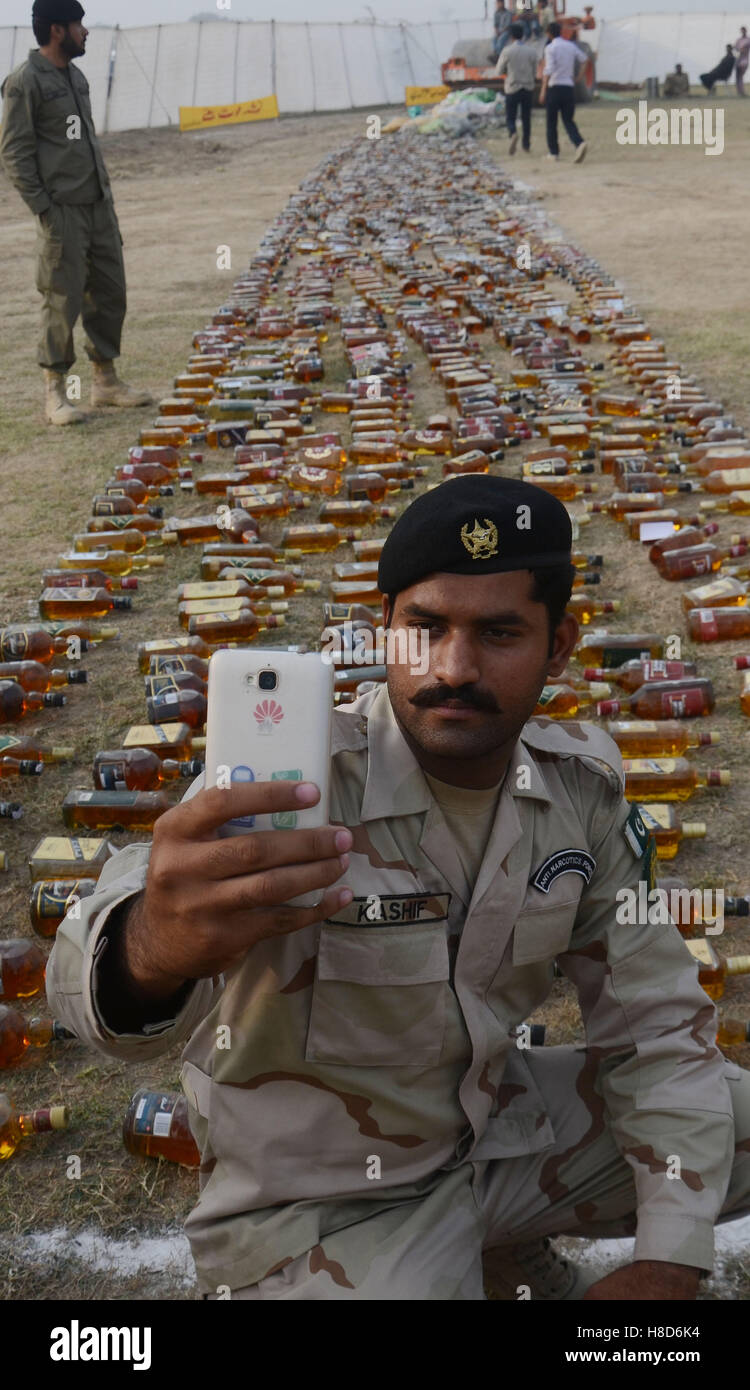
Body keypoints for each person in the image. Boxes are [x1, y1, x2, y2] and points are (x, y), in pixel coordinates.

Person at [47, 474, 750, 1302]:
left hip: (491, 1133)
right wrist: (147, 948)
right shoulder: (302, 783)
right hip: (323, 1202)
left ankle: (495, 1244)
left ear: (559, 644)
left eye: (498, 632)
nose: (454, 667)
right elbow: (89, 977)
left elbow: (658, 1026)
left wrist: (668, 1261)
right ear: (384, 631)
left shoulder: (579, 795)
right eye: (424, 628)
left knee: (722, 1119)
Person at [0, 0, 152, 427]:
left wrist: (105, 200)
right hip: (62, 212)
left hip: (97, 207)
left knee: (109, 293)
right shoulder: (24, 82)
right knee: (62, 299)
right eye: (77, 24)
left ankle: (105, 382)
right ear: (57, 31)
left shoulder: (77, 78)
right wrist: (44, 208)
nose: (85, 31)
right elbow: (14, 152)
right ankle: (57, 393)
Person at [540, 19, 588, 163]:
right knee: (568, 120)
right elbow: (585, 59)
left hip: (554, 87)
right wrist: (579, 76)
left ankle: (553, 153)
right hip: (568, 87)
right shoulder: (570, 46)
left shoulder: (550, 48)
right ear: (560, 32)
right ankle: (579, 143)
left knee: (551, 122)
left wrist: (543, 90)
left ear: (548, 34)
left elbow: (548, 70)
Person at [494, 21, 537, 155]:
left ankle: (513, 133)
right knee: (526, 118)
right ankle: (526, 145)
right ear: (523, 35)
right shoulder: (531, 51)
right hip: (527, 88)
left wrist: (508, 71)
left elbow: (499, 71)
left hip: (512, 87)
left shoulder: (507, 51)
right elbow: (534, 71)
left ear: (511, 36)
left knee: (511, 117)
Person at [735, 27, 750, 97]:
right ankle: (739, 92)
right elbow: (736, 48)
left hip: (744, 60)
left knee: (740, 76)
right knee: (738, 77)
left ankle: (742, 92)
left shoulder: (748, 40)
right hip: (739, 60)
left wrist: (744, 49)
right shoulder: (739, 40)